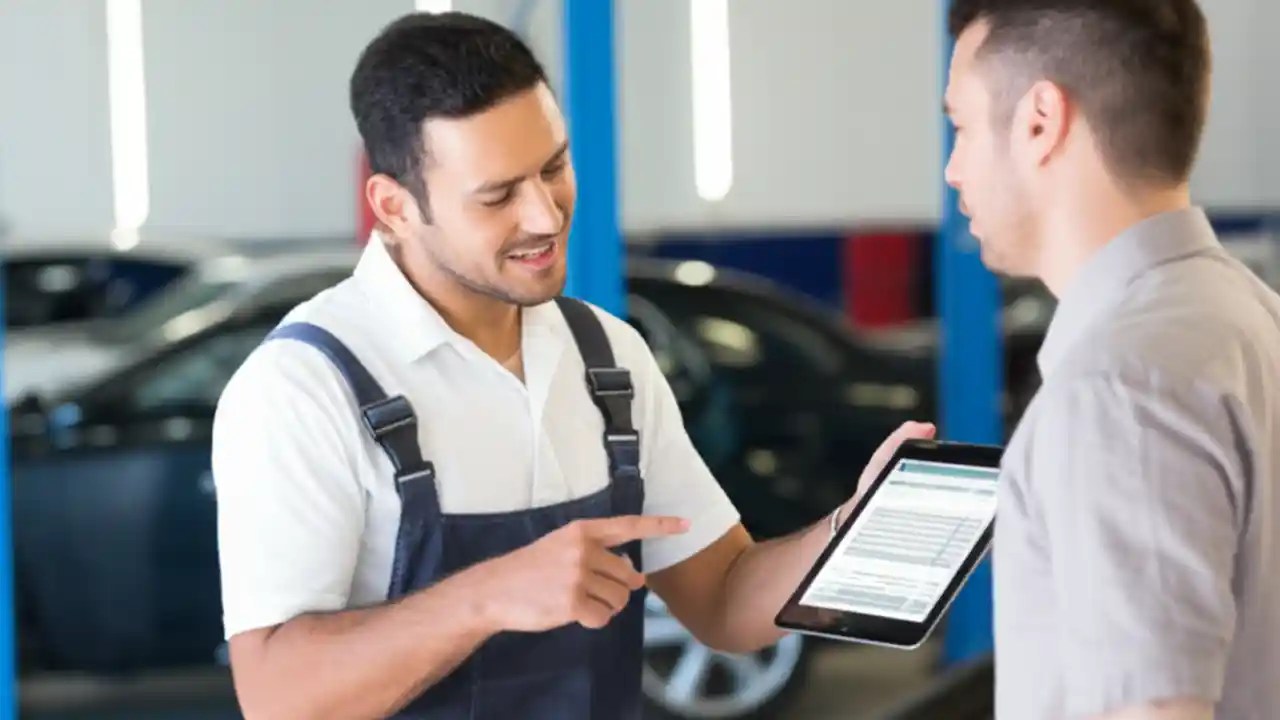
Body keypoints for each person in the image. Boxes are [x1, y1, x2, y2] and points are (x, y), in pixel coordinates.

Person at [211, 11, 932, 720]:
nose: (544, 216)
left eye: (553, 166)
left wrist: (850, 530)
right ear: (394, 208)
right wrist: (487, 595)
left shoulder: (606, 358)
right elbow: (279, 696)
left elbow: (722, 599)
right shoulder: (303, 390)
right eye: (496, 195)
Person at [944, 1, 1280, 719]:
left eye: (962, 126)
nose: (953, 168)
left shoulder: (1118, 387)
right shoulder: (1247, 317)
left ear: (1039, 121)